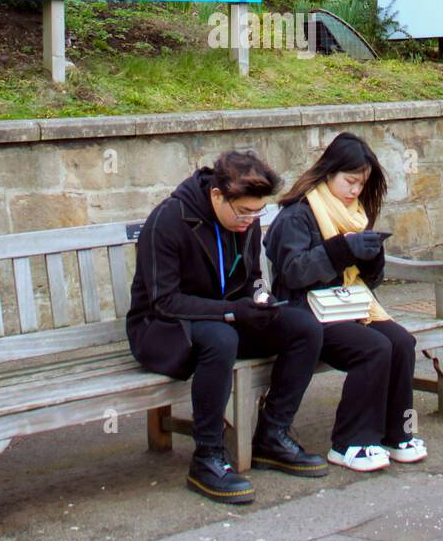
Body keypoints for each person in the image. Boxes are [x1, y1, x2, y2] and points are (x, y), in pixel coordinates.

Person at [126, 151, 327, 505]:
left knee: (303, 326)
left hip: (225, 320)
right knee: (221, 338)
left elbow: (249, 279)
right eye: (244, 211)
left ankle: (272, 435)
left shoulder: (242, 222)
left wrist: (258, 301)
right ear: (217, 195)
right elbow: (164, 302)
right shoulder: (169, 220)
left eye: (257, 212)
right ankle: (207, 457)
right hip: (161, 329)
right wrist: (231, 312)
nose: (250, 220)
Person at [264, 131, 426, 472]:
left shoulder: (355, 213)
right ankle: (351, 442)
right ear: (328, 173)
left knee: (400, 341)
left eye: (361, 185)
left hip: (349, 305)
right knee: (373, 349)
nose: (355, 191)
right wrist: (342, 249)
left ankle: (396, 434)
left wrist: (370, 258)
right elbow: (293, 272)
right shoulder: (298, 215)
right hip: (305, 314)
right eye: (350, 182)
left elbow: (369, 281)